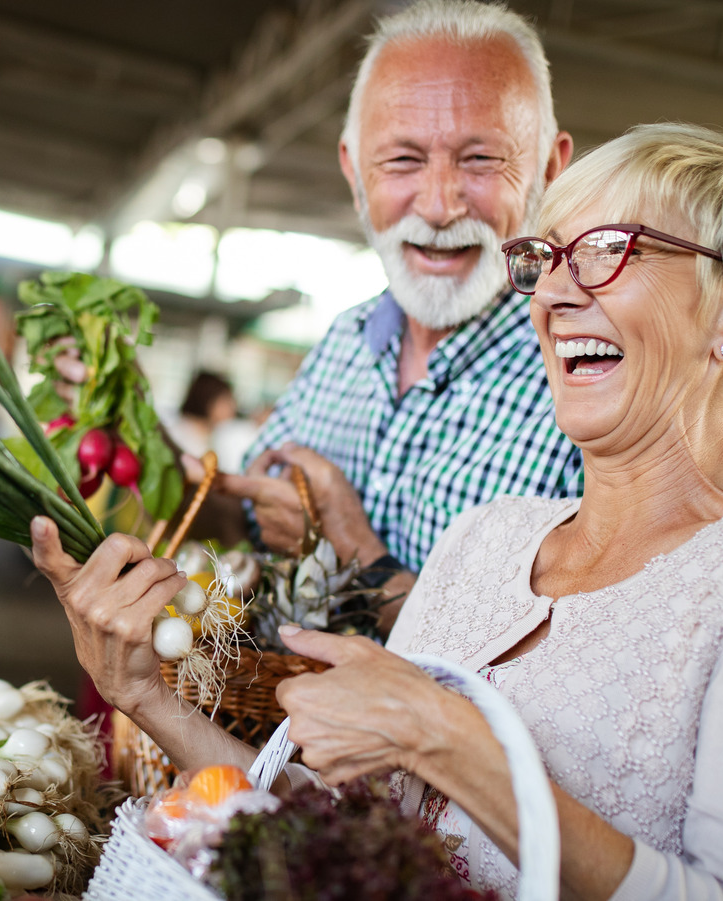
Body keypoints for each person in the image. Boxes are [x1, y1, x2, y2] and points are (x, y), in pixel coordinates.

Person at [30, 122, 723, 900]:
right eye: (546, 259)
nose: (553, 295)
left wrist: (444, 736)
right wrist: (145, 695)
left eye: (605, 250)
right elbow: (338, 845)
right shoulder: (488, 537)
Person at [207, 0, 581, 618]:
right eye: (403, 160)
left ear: (549, 168)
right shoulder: (346, 337)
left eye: (481, 159)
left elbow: (558, 669)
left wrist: (351, 547)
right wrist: (143, 456)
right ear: (355, 172)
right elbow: (249, 516)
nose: (438, 205)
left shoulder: (583, 379)